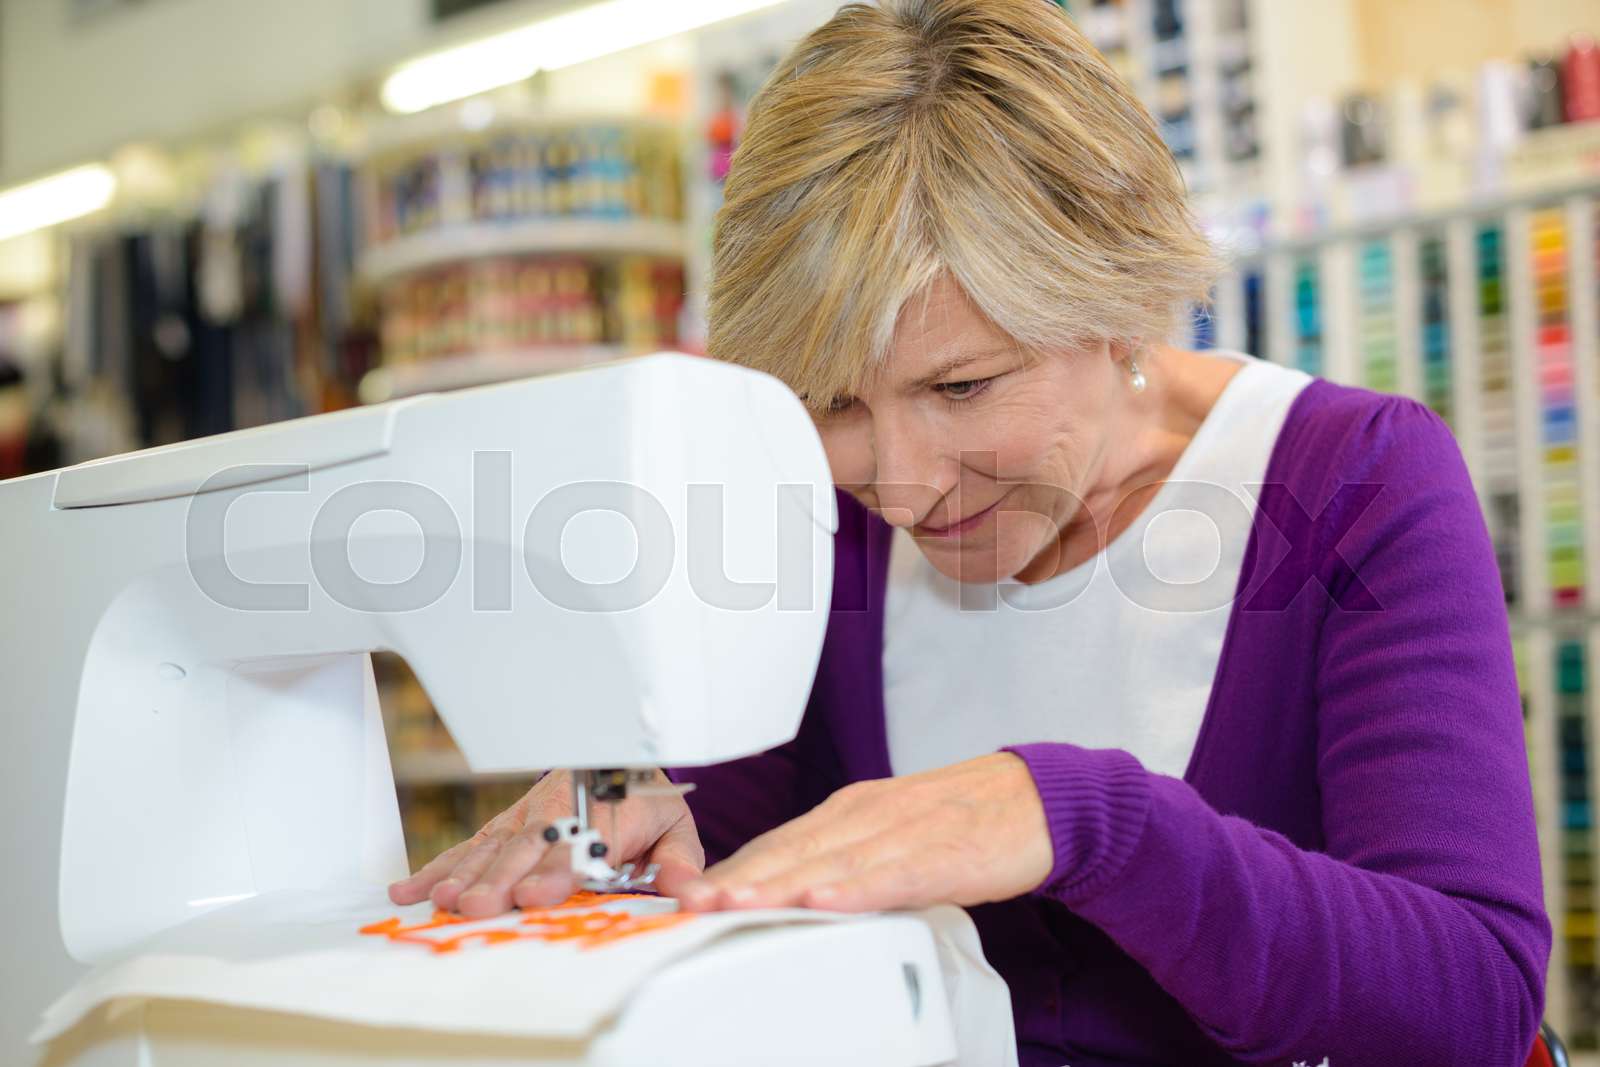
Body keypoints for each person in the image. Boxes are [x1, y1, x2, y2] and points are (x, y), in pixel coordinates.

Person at [390, 1, 1550, 1063]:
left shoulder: (1352, 483)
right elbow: (724, 805)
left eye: (960, 388)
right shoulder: (828, 527)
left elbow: (1470, 994)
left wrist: (1084, 819)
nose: (899, 482)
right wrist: (629, 793)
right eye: (831, 400)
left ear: (1115, 296)